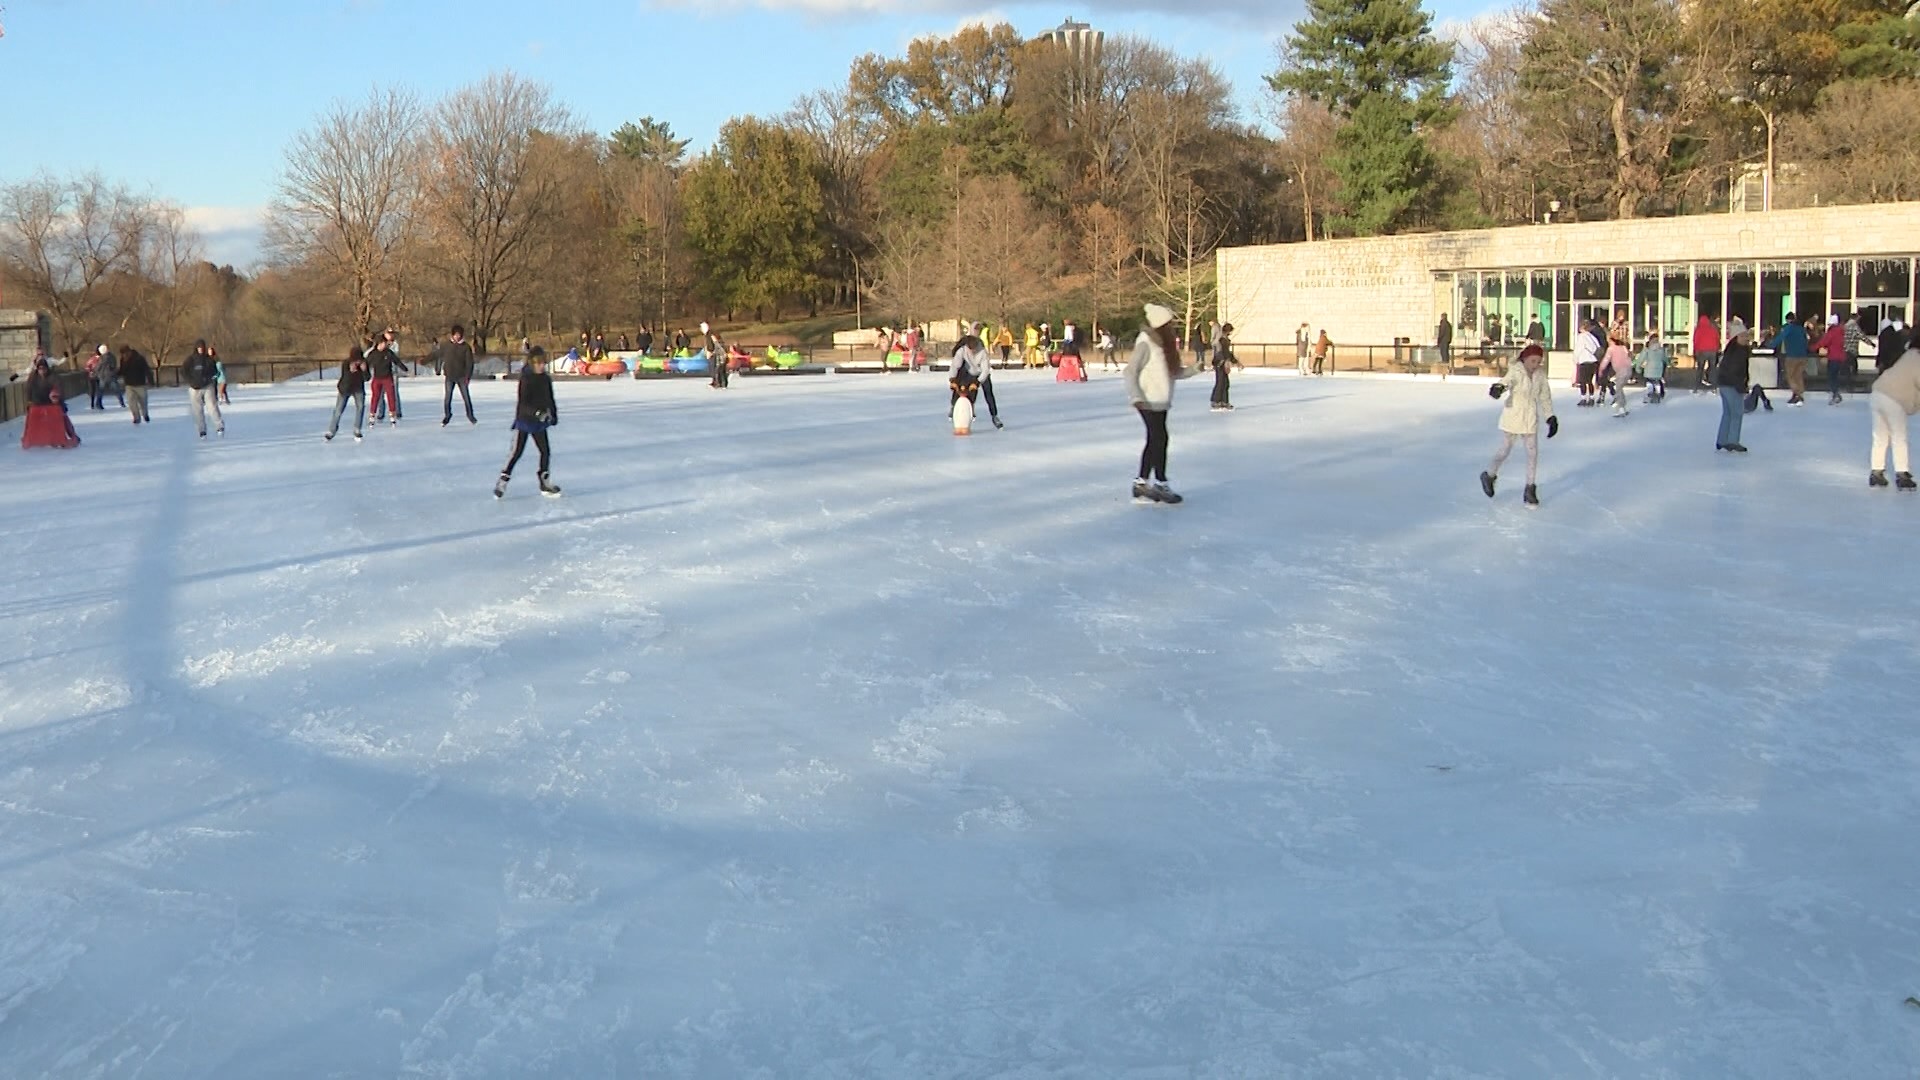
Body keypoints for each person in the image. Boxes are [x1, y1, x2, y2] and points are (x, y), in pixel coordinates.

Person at [1125, 303, 1199, 504]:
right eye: (1168, 323)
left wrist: (1195, 369)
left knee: (1156, 439)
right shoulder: (1146, 343)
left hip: (1161, 401)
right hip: (1147, 400)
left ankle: (1142, 483)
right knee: (1159, 438)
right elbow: (1130, 371)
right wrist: (1136, 397)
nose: (1172, 326)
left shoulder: (1164, 345)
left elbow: (1173, 373)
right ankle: (1159, 482)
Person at [1479, 342, 1557, 507]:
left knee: (1532, 454)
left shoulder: (1540, 375)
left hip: (1530, 418)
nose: (1535, 365)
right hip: (1513, 415)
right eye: (1533, 361)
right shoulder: (1516, 370)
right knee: (1505, 450)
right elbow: (1508, 381)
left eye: (1538, 361)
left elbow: (1544, 396)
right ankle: (1489, 475)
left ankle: (1530, 489)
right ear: (1525, 359)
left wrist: (1550, 417)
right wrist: (1499, 387)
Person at [494, 347, 561, 499]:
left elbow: (550, 399)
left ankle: (544, 482)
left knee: (545, 451)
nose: (541, 366)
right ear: (532, 363)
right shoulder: (526, 379)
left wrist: (554, 414)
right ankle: (502, 481)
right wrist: (537, 413)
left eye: (543, 363)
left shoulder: (545, 379)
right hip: (525, 420)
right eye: (538, 363)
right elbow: (523, 403)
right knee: (516, 453)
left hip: (540, 422)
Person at [1868, 326, 1920, 490]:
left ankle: (1876, 471)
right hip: (1893, 399)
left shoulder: (1908, 355)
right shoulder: (1917, 359)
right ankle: (1902, 473)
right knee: (1899, 437)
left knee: (1880, 436)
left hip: (1878, 393)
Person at [1716, 318, 1753, 452]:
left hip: (1724, 383)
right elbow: (1735, 371)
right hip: (1731, 385)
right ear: (1736, 337)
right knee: (1737, 413)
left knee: (1727, 413)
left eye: (1746, 335)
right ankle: (1732, 440)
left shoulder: (1731, 350)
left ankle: (1722, 439)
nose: (1746, 338)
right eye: (1743, 336)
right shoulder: (1739, 351)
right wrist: (1741, 386)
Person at [950, 326, 998, 428]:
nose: (972, 351)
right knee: (960, 388)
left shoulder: (982, 352)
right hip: (968, 372)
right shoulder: (962, 350)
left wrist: (977, 382)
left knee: (988, 392)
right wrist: (952, 379)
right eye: (970, 349)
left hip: (981, 373)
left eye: (974, 349)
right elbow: (955, 365)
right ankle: (955, 407)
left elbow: (985, 370)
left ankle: (994, 416)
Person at [325, 346, 371, 442]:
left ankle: (357, 428)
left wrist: (364, 370)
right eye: (356, 359)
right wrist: (350, 371)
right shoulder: (346, 363)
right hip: (345, 389)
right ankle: (332, 430)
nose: (358, 361)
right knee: (338, 410)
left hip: (358, 389)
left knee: (360, 407)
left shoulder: (364, 363)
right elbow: (344, 377)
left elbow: (367, 378)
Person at [1766, 313, 1811, 406]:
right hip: (1803, 356)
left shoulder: (1789, 328)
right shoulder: (1801, 329)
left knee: (1790, 376)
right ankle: (1799, 395)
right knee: (1798, 376)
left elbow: (1780, 338)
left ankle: (1797, 394)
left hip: (1792, 356)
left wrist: (1770, 345)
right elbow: (1806, 341)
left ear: (1788, 320)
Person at [435, 324, 477, 425]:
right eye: (456, 335)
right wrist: (432, 365)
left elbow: (469, 363)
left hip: (462, 376)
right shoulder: (446, 345)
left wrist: (468, 376)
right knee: (447, 398)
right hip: (450, 376)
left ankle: (470, 416)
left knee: (466, 397)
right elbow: (438, 355)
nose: (457, 337)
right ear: (453, 335)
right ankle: (447, 415)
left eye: (459, 335)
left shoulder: (466, 347)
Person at [182, 340, 224, 438]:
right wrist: (190, 381)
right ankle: (202, 430)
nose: (200, 349)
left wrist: (208, 378)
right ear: (196, 348)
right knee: (197, 411)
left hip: (207, 387)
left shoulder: (208, 359)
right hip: (194, 389)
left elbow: (215, 371)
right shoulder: (190, 360)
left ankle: (219, 426)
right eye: (199, 347)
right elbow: (183, 371)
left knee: (212, 407)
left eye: (202, 347)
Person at [368, 333, 408, 424]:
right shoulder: (373, 353)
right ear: (379, 343)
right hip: (377, 378)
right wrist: (364, 374)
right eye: (383, 343)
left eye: (385, 343)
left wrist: (405, 369)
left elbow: (397, 361)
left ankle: (392, 414)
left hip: (387, 377)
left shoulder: (388, 352)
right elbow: (366, 363)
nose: (384, 345)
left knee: (391, 396)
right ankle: (372, 414)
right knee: (375, 397)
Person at [1809, 314, 1844, 408]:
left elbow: (1824, 342)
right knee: (1835, 376)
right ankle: (1836, 394)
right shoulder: (1841, 331)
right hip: (1840, 357)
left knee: (1831, 377)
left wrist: (1812, 348)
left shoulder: (1832, 332)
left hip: (1833, 357)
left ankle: (1835, 394)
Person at [1600, 331, 1634, 416]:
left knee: (1618, 388)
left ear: (1611, 340)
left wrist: (1601, 369)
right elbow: (1629, 357)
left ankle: (1621, 408)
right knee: (1619, 387)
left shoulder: (1611, 349)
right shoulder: (1623, 347)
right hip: (1628, 369)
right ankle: (1621, 405)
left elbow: (1606, 360)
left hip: (1621, 370)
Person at [1210, 322, 1240, 411]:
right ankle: (1216, 401)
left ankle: (1224, 401)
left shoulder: (1225, 340)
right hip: (1220, 363)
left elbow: (1228, 353)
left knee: (1225, 383)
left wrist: (1236, 362)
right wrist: (1224, 362)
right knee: (1220, 382)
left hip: (1223, 362)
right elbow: (1221, 353)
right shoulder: (1221, 340)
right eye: (1230, 331)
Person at [119, 345, 153, 424]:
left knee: (143, 401)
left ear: (129, 352)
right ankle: (136, 417)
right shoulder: (123, 360)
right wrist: (116, 374)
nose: (123, 355)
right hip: (129, 384)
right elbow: (122, 371)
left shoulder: (139, 358)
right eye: (122, 354)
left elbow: (146, 369)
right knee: (132, 402)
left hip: (140, 383)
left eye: (124, 353)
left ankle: (145, 414)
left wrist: (150, 380)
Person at [1573, 317, 1602, 406]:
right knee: (1589, 381)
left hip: (1584, 360)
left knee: (1582, 381)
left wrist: (1575, 358)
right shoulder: (1592, 337)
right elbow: (1597, 347)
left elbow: (1578, 349)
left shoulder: (1581, 337)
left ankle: (1583, 398)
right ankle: (1592, 398)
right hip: (1593, 361)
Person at [1691, 314, 1721, 394]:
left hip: (1701, 351)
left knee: (1700, 369)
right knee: (1713, 369)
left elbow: (1695, 341)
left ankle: (1696, 387)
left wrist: (1695, 351)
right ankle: (1714, 387)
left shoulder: (1698, 329)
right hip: (1712, 351)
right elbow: (1717, 338)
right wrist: (1717, 348)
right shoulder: (1712, 329)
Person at [1637, 332, 1670, 404]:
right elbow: (1665, 359)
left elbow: (1640, 359)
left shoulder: (1647, 350)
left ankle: (1649, 395)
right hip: (1659, 369)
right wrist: (1668, 364)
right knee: (1657, 381)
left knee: (1649, 382)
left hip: (1649, 368)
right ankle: (1657, 394)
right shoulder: (1661, 350)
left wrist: (1638, 367)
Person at [704, 321, 730, 389]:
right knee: (720, 371)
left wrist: (725, 355)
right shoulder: (717, 343)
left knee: (720, 371)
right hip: (719, 358)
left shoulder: (718, 343)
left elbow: (721, 349)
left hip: (722, 358)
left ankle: (722, 384)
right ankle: (721, 383)